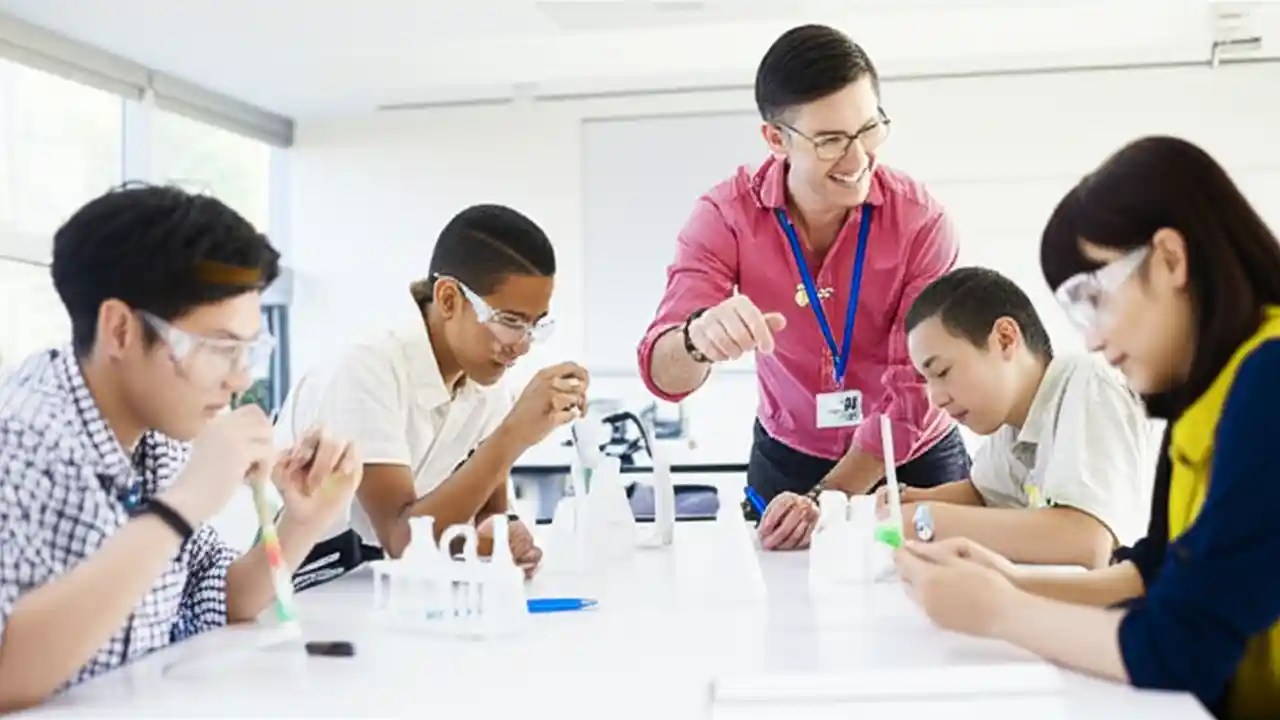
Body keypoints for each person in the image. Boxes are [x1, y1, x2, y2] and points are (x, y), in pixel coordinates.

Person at [894, 136, 1280, 719]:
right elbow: (1155, 572)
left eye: (1093, 298)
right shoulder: (1202, 399)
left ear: (1171, 259)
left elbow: (1183, 646)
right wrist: (1009, 584)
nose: (1093, 337)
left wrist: (1003, 612)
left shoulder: (1268, 379)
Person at [0, 185, 362, 711]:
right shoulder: (22, 440)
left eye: (249, 351)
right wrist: (185, 502)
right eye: (218, 349)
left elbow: (225, 597)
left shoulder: (158, 433)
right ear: (121, 329)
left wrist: (302, 520)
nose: (239, 379)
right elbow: (9, 677)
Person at [637, 24, 969, 552]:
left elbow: (917, 389)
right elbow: (662, 370)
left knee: (928, 613)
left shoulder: (920, 221)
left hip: (910, 452)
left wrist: (825, 498)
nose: (858, 159)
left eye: (869, 130)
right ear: (775, 140)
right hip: (789, 455)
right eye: (832, 141)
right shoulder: (725, 216)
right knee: (791, 620)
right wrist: (698, 339)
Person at [276, 204, 588, 590]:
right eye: (509, 321)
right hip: (301, 583)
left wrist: (502, 535)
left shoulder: (483, 382)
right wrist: (513, 434)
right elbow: (401, 539)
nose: (522, 345)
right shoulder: (368, 368)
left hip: (378, 589)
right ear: (448, 299)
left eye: (535, 325)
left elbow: (485, 515)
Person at [872, 267, 1155, 568]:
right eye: (927, 380)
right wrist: (912, 499)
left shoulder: (1088, 383)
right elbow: (984, 494)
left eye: (942, 372)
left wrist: (926, 520)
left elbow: (1086, 541)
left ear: (1005, 339)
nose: (936, 398)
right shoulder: (1012, 420)